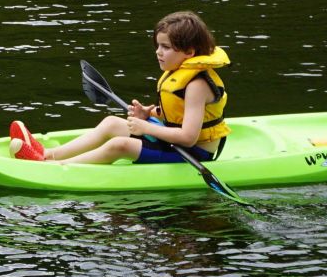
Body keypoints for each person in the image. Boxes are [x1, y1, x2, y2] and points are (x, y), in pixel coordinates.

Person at [12, 11, 229, 165]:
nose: (158, 52)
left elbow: (189, 137)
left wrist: (146, 128)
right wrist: (149, 114)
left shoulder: (197, 85)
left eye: (166, 47)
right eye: (158, 46)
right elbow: (177, 113)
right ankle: (48, 154)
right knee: (111, 122)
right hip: (176, 144)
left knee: (119, 145)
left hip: (193, 153)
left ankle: (54, 168)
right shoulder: (179, 72)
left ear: (189, 52)